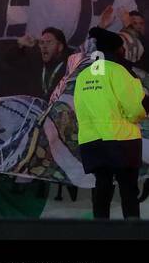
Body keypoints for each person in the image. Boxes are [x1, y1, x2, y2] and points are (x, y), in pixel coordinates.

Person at [74, 28, 148, 219]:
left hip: (92, 142)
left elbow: (79, 109)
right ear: (117, 50)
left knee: (102, 188)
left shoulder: (83, 75)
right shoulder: (121, 71)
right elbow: (135, 110)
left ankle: (100, 233)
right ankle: (132, 236)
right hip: (122, 140)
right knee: (128, 191)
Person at [15, 27, 70, 99]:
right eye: (42, 43)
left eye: (49, 42)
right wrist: (19, 44)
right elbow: (10, 60)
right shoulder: (36, 64)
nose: (44, 46)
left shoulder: (70, 69)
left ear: (60, 47)